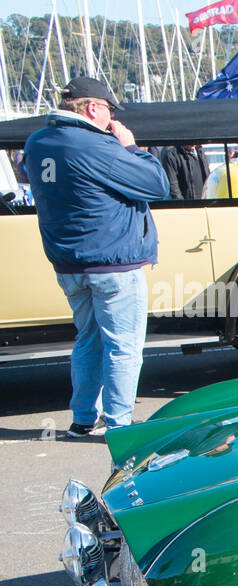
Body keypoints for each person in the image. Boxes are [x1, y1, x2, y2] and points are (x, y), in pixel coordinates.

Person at [23, 77, 170, 437]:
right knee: (123, 346)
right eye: (109, 110)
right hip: (112, 262)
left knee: (88, 339)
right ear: (92, 108)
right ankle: (120, 425)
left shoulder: (37, 142)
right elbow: (157, 184)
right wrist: (131, 146)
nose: (112, 118)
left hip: (68, 261)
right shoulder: (95, 145)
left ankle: (83, 418)